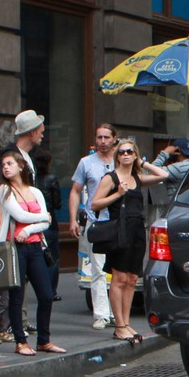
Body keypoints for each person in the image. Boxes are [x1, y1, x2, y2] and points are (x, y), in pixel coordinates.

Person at [90, 138, 168, 342]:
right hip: (120, 230)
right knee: (119, 278)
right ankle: (119, 325)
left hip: (137, 230)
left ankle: (126, 323)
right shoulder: (111, 178)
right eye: (122, 152)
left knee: (132, 278)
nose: (125, 154)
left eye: (129, 152)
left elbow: (164, 175)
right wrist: (118, 194)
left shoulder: (138, 177)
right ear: (117, 155)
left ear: (134, 155)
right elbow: (95, 204)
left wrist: (143, 163)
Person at [0, 148, 63, 356]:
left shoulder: (36, 191)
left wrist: (31, 228)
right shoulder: (4, 190)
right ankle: (20, 341)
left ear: (21, 166)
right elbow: (20, 214)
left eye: (10, 163)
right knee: (17, 295)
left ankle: (44, 340)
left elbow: (44, 225)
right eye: (3, 165)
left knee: (46, 295)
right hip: (14, 248)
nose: (5, 167)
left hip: (35, 246)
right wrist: (42, 217)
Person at [69, 124, 118, 330]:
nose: (103, 141)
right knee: (97, 269)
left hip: (118, 221)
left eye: (107, 137)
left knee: (118, 269)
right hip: (95, 221)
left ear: (114, 139)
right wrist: (73, 219)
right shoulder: (86, 162)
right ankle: (101, 314)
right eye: (99, 137)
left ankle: (117, 313)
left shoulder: (122, 159)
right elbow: (75, 190)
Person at [31, 146, 62, 300]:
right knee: (52, 258)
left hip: (32, 221)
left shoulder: (31, 181)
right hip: (50, 222)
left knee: (37, 257)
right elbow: (57, 204)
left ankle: (41, 290)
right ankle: (51, 291)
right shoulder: (51, 179)